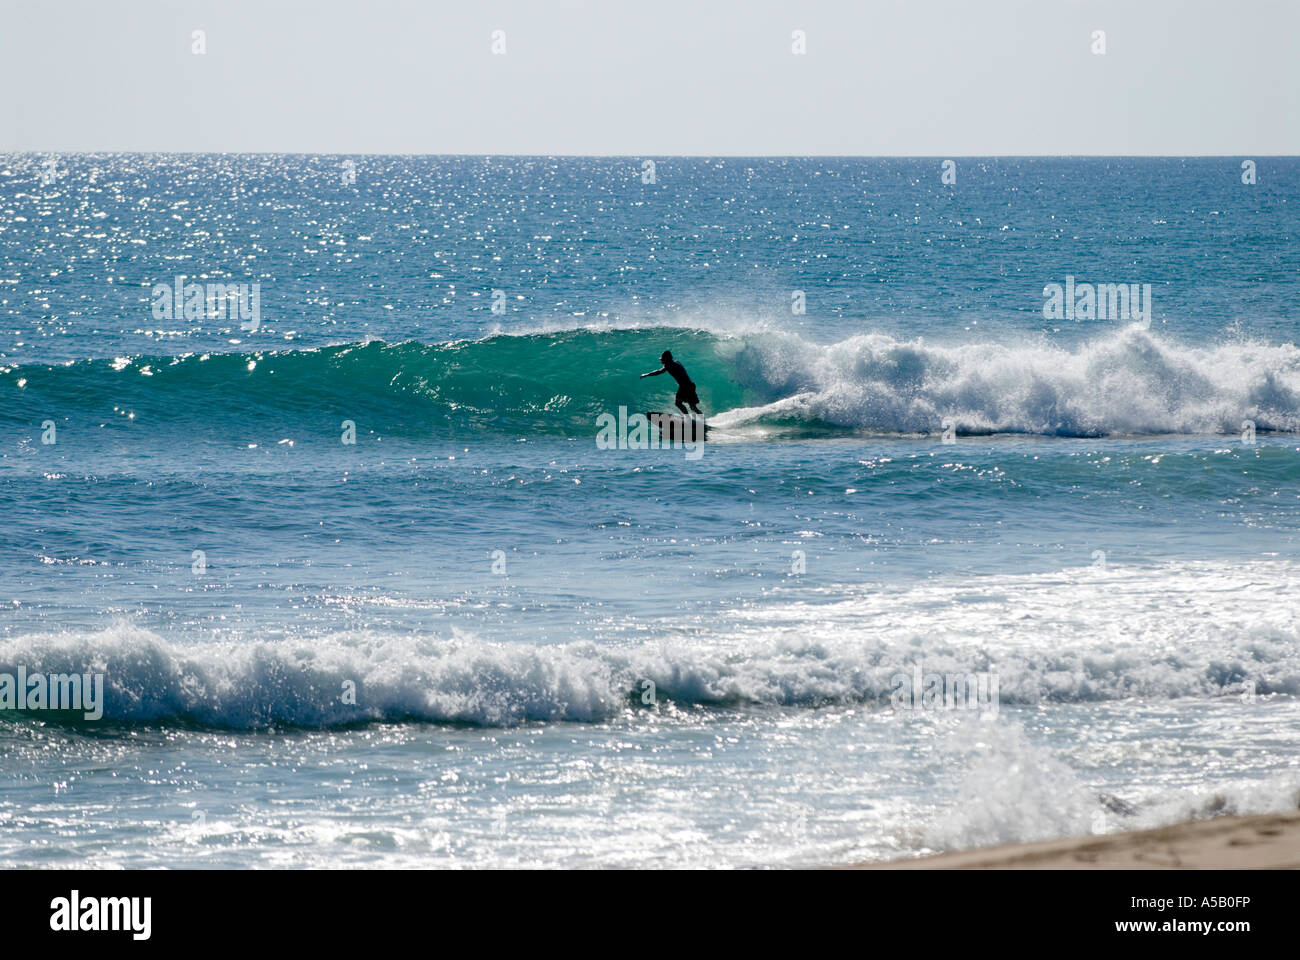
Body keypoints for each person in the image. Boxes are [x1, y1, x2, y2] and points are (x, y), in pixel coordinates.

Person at [641, 350, 703, 416]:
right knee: (693, 407)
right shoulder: (676, 362)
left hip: (685, 387)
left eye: (663, 359)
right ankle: (702, 419)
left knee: (678, 403)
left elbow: (659, 372)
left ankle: (687, 419)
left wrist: (646, 374)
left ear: (667, 359)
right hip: (690, 385)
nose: (661, 360)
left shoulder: (669, 365)